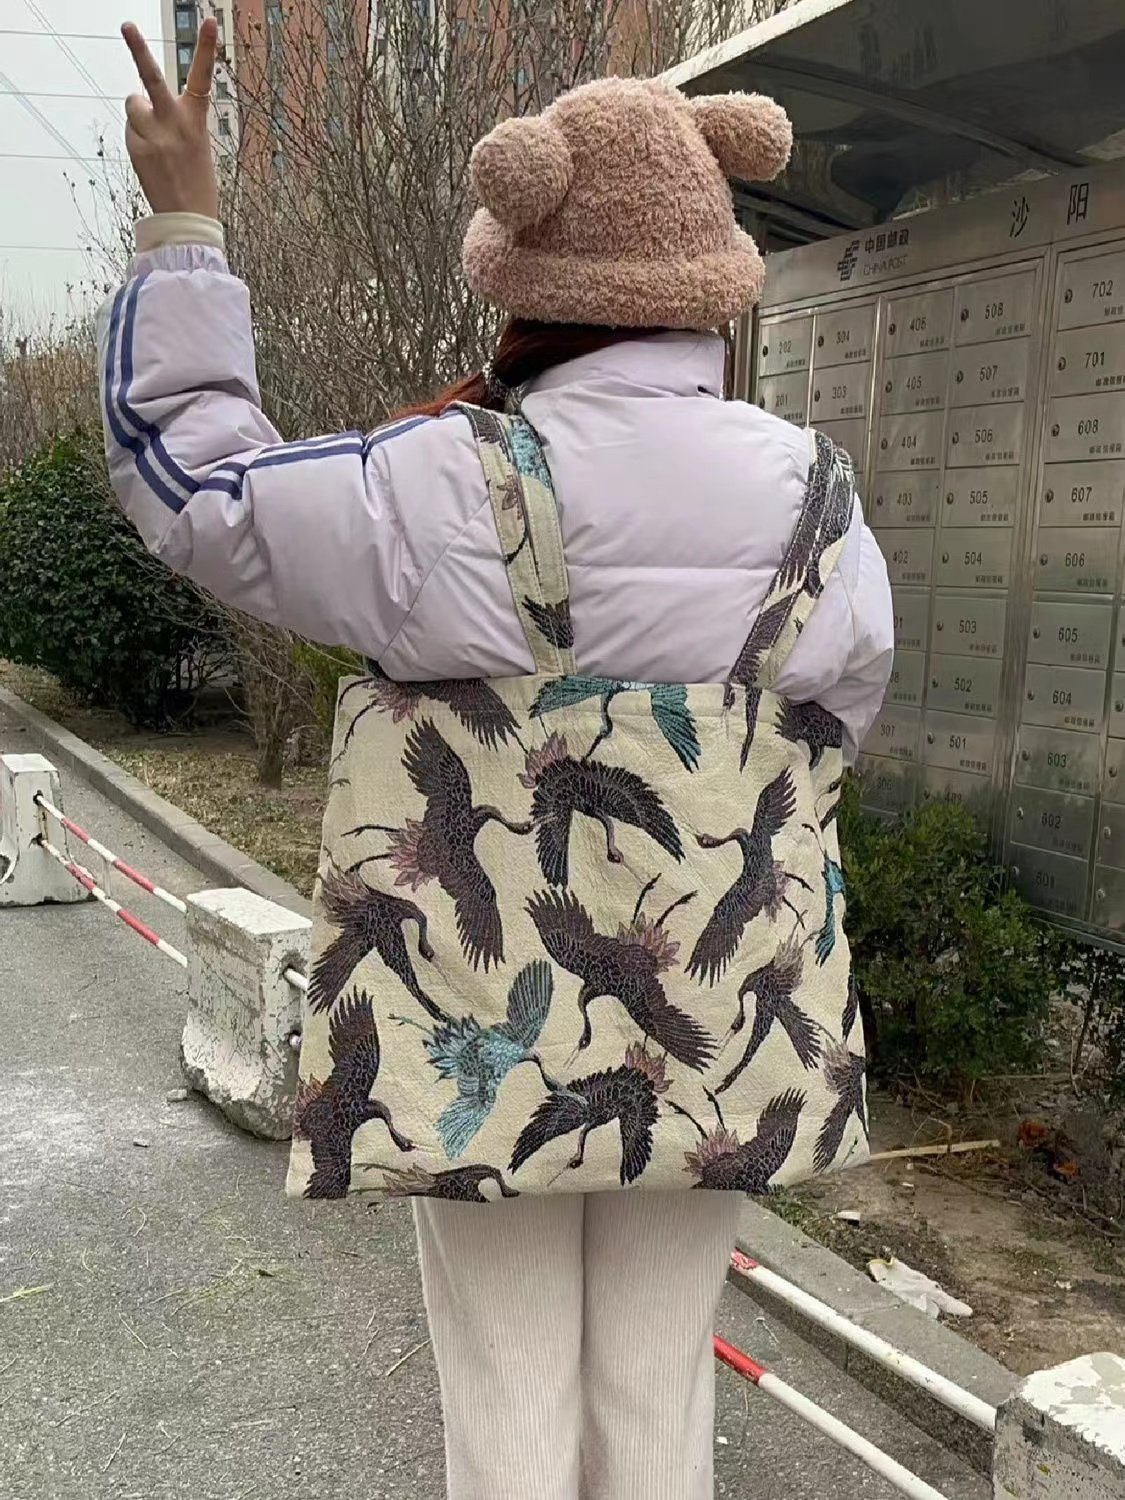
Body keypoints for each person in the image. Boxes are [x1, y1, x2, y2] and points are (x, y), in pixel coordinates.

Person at [101, 18, 893, 1500]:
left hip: (477, 1011)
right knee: (658, 1384)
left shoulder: (434, 487)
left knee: (507, 1381)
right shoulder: (816, 499)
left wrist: (185, 229)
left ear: (520, 272)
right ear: (712, 280)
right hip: (718, 1008)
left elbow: (196, 488)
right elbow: (834, 718)